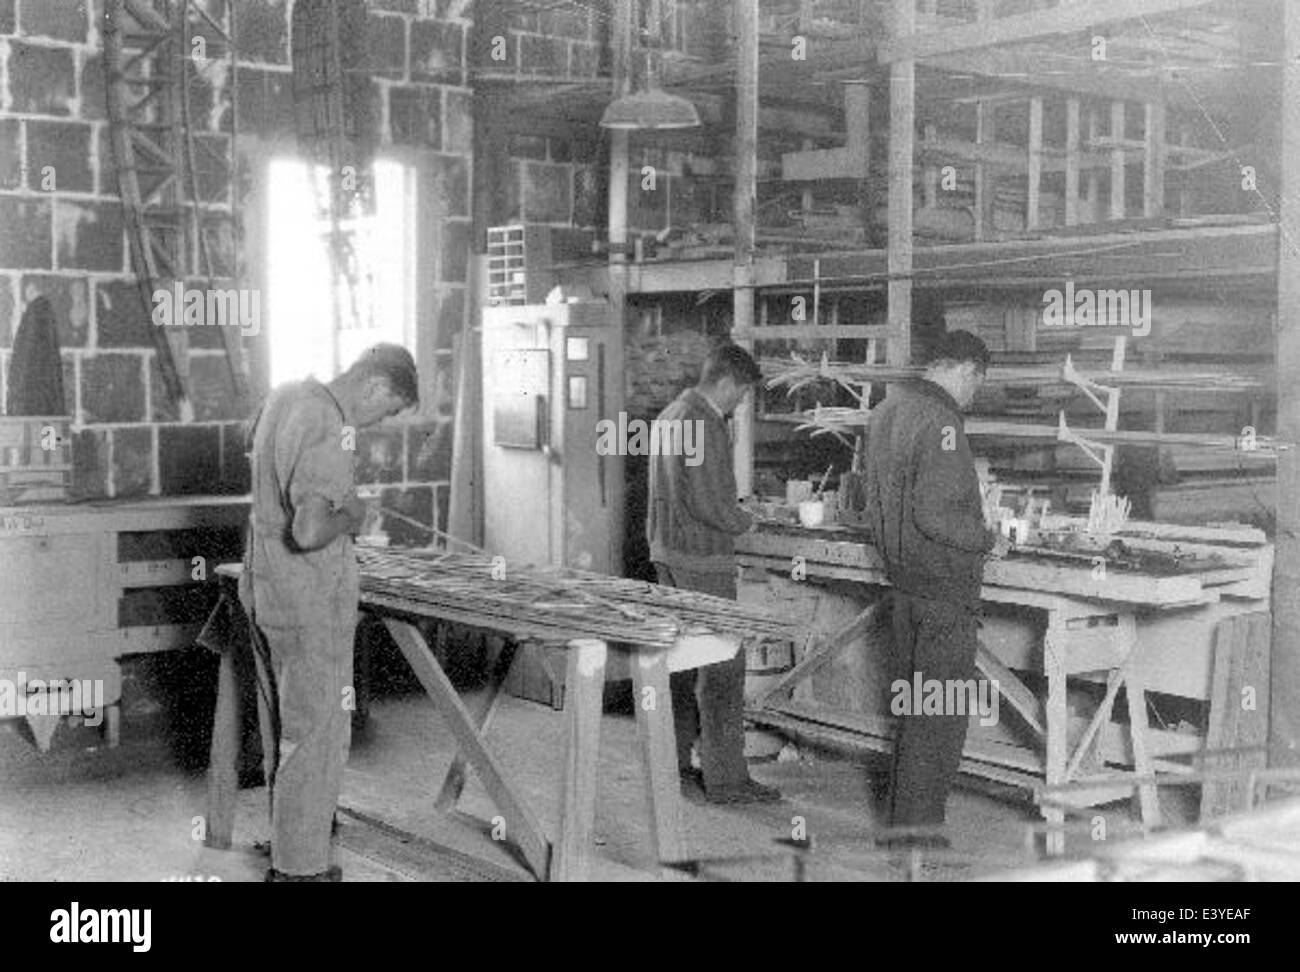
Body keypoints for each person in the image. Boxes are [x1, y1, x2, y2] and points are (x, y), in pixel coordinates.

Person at [239, 344, 418, 881]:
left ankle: (293, 842)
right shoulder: (327, 423)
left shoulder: (289, 395)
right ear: (376, 387)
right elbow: (309, 530)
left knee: (285, 726)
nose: (377, 422)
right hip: (305, 596)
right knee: (317, 735)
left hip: (267, 584)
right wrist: (353, 515)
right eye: (385, 412)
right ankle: (301, 869)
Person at [863, 329, 1007, 847]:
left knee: (913, 709)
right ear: (968, 370)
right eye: (977, 385)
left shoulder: (885, 412)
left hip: (902, 585)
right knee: (940, 714)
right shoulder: (942, 420)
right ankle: (916, 834)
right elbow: (937, 513)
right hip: (945, 589)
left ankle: (904, 823)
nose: (972, 396)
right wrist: (989, 537)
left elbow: (871, 501)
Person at [646, 343, 781, 805]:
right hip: (702, 559)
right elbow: (709, 504)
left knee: (682, 665)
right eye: (741, 395)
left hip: (667, 552)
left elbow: (680, 493)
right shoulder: (704, 423)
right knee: (724, 668)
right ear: (726, 383)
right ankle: (727, 781)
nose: (740, 404)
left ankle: (677, 766)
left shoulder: (669, 415)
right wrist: (747, 520)